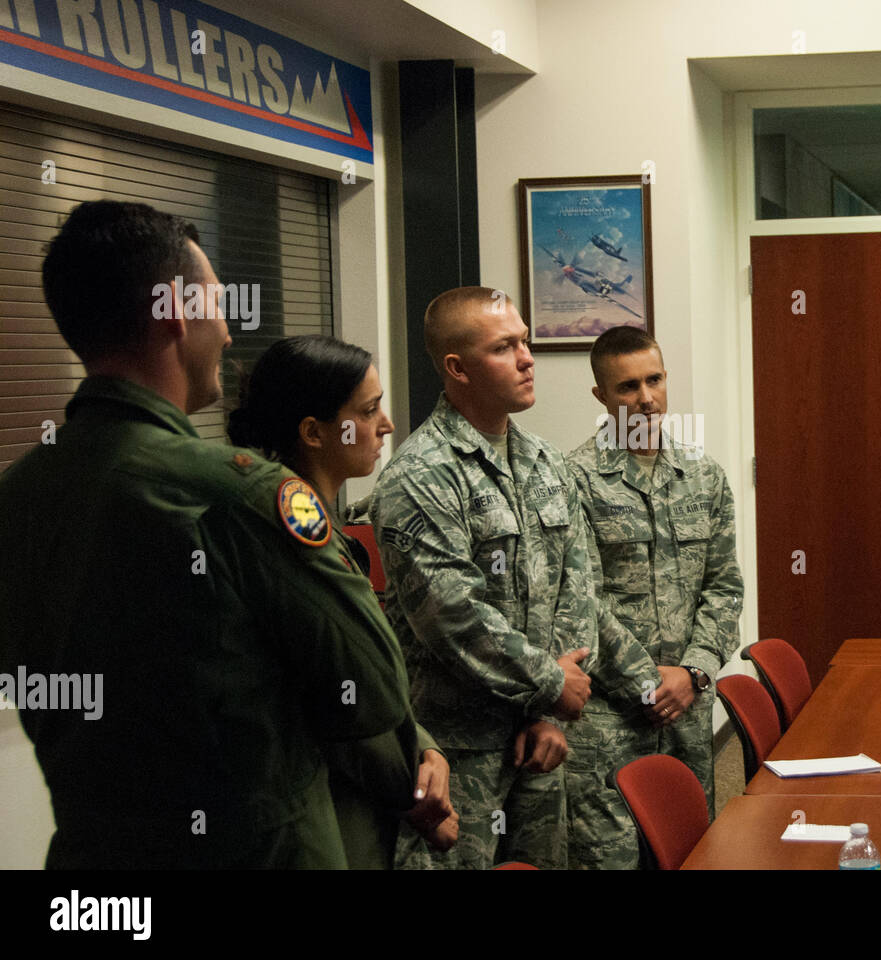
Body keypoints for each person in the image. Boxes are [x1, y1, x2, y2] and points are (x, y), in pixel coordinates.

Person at [0, 200, 444, 868]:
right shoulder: (239, 493)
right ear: (175, 314)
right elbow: (372, 689)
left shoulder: (20, 493)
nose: (230, 335)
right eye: (218, 305)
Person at [369, 286, 595, 870]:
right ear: (457, 367)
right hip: (456, 750)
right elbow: (452, 614)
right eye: (505, 347)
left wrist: (548, 711)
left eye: (524, 341)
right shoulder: (418, 475)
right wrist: (550, 682)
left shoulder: (544, 460)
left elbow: (577, 583)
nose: (527, 358)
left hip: (540, 739)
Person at [227, 334, 457, 867]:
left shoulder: (328, 524)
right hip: (323, 808)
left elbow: (372, 677)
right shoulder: (291, 530)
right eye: (369, 409)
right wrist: (418, 795)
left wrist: (426, 746)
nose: (388, 424)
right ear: (313, 431)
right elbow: (341, 693)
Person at [564, 325, 743, 869]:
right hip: (609, 715)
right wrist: (649, 682)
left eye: (654, 380)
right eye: (626, 387)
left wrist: (694, 671)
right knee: (612, 860)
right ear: (601, 396)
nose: (644, 398)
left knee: (689, 850)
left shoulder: (704, 476)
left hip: (688, 704)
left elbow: (725, 586)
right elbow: (579, 602)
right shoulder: (575, 479)